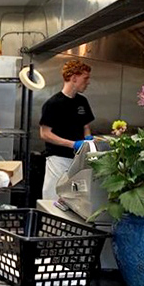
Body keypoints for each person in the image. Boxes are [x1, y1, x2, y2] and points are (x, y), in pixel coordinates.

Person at [39, 59, 95, 201]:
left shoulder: (82, 102)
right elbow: (44, 133)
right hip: (58, 160)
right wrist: (73, 144)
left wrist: (88, 139)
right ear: (74, 78)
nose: (88, 82)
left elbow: (86, 126)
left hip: (79, 161)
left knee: (75, 201)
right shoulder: (53, 104)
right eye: (85, 78)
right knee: (53, 198)